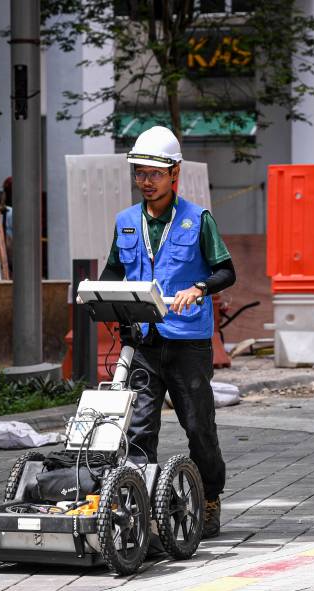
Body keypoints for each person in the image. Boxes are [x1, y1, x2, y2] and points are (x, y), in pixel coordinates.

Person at [99, 125, 236, 538]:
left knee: (198, 426)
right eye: (140, 172)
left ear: (175, 174)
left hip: (188, 344)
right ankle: (139, 507)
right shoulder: (126, 222)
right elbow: (113, 271)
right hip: (143, 343)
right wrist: (100, 292)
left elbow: (226, 271)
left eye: (154, 173)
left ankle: (209, 498)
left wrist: (199, 288)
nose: (146, 180)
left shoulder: (198, 220)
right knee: (139, 429)